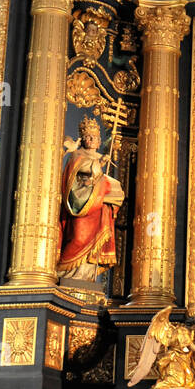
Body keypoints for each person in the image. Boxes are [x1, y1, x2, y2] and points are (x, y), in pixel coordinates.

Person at [57, 115, 124, 281]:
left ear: (100, 141)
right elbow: (77, 171)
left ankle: (85, 276)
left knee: (95, 241)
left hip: (98, 208)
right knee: (79, 238)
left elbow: (110, 186)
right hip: (81, 202)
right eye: (88, 137)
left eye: (95, 137)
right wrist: (97, 165)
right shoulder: (77, 154)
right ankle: (68, 273)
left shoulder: (100, 157)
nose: (91, 139)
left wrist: (103, 184)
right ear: (83, 139)